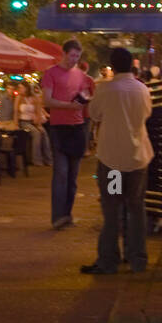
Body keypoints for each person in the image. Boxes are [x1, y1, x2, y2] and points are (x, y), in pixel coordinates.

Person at [81, 47, 154, 275]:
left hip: (113, 162)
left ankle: (109, 260)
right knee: (136, 208)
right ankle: (138, 259)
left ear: (112, 65)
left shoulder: (106, 90)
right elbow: (147, 114)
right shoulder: (142, 90)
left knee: (112, 209)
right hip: (138, 159)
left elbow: (94, 114)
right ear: (131, 63)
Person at [41, 39, 91, 229]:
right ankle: (57, 216)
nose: (74, 60)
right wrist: (69, 106)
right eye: (72, 56)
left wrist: (84, 99)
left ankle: (67, 214)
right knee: (61, 173)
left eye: (77, 56)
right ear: (64, 54)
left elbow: (85, 95)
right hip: (59, 127)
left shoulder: (81, 75)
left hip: (77, 127)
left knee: (73, 176)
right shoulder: (51, 73)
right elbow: (47, 100)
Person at [17, 85, 49, 166]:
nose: (20, 89)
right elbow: (16, 112)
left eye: (21, 87)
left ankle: (48, 159)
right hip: (23, 122)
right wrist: (16, 124)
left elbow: (38, 112)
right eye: (19, 88)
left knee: (44, 133)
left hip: (32, 122)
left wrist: (39, 125)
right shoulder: (19, 98)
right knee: (37, 134)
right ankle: (36, 160)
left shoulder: (34, 98)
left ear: (26, 88)